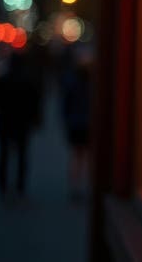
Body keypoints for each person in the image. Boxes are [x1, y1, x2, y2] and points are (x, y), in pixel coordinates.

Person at [0, 48, 41, 199]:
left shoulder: (3, 80)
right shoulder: (28, 81)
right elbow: (35, 103)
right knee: (22, 154)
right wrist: (36, 120)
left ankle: (3, 184)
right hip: (22, 122)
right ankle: (20, 186)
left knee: (4, 154)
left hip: (5, 121)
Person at [61, 48, 91, 198]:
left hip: (75, 123)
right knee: (84, 156)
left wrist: (66, 120)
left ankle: (75, 186)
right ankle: (82, 186)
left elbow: (65, 105)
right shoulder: (91, 84)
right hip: (86, 124)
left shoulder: (71, 81)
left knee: (76, 155)